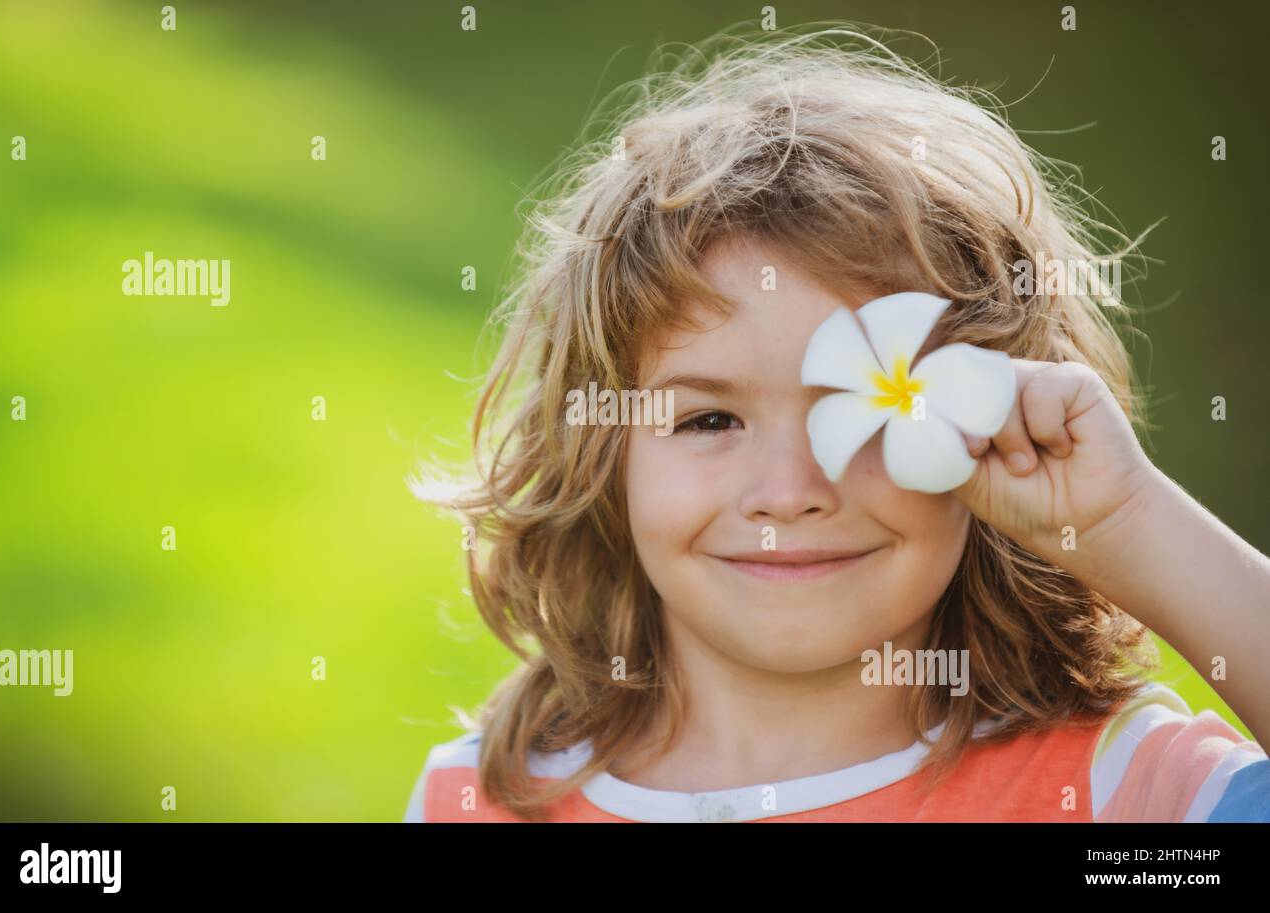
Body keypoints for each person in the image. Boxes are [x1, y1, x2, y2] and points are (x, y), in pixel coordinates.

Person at [405, 23, 1270, 822]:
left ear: (990, 424)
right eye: (708, 418)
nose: (790, 492)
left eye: (861, 419)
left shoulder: (1127, 792)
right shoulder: (482, 797)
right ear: (604, 452)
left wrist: (1129, 523)